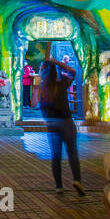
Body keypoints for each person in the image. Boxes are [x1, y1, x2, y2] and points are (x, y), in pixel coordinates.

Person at [38, 58, 84, 195]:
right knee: (72, 153)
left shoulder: (44, 88)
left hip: (52, 124)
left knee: (56, 155)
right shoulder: (62, 83)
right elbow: (73, 72)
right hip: (66, 122)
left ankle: (59, 186)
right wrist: (57, 63)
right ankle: (77, 180)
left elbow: (37, 104)